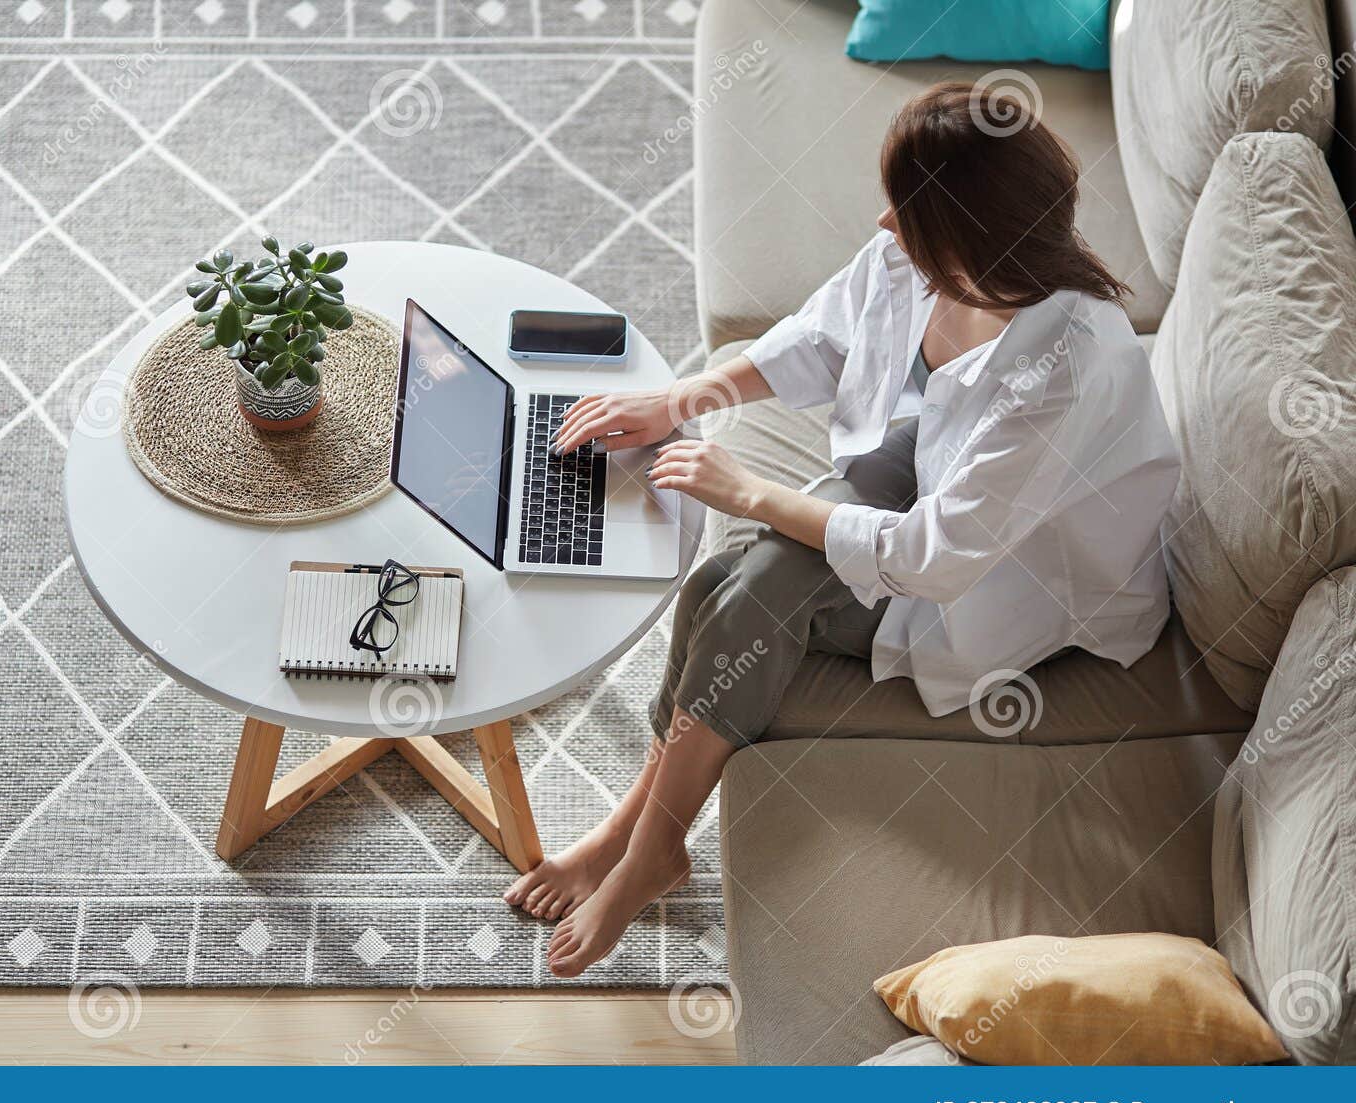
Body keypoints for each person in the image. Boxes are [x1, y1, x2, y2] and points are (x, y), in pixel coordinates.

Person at [505, 81, 1182, 979]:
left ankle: (642, 855)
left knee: (753, 594)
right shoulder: (921, 257)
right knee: (721, 586)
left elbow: (936, 559)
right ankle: (640, 837)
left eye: (906, 210)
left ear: (968, 236)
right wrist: (675, 401)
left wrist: (749, 493)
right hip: (933, 472)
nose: (883, 222)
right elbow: (820, 339)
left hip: (1017, 572)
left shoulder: (1062, 367)